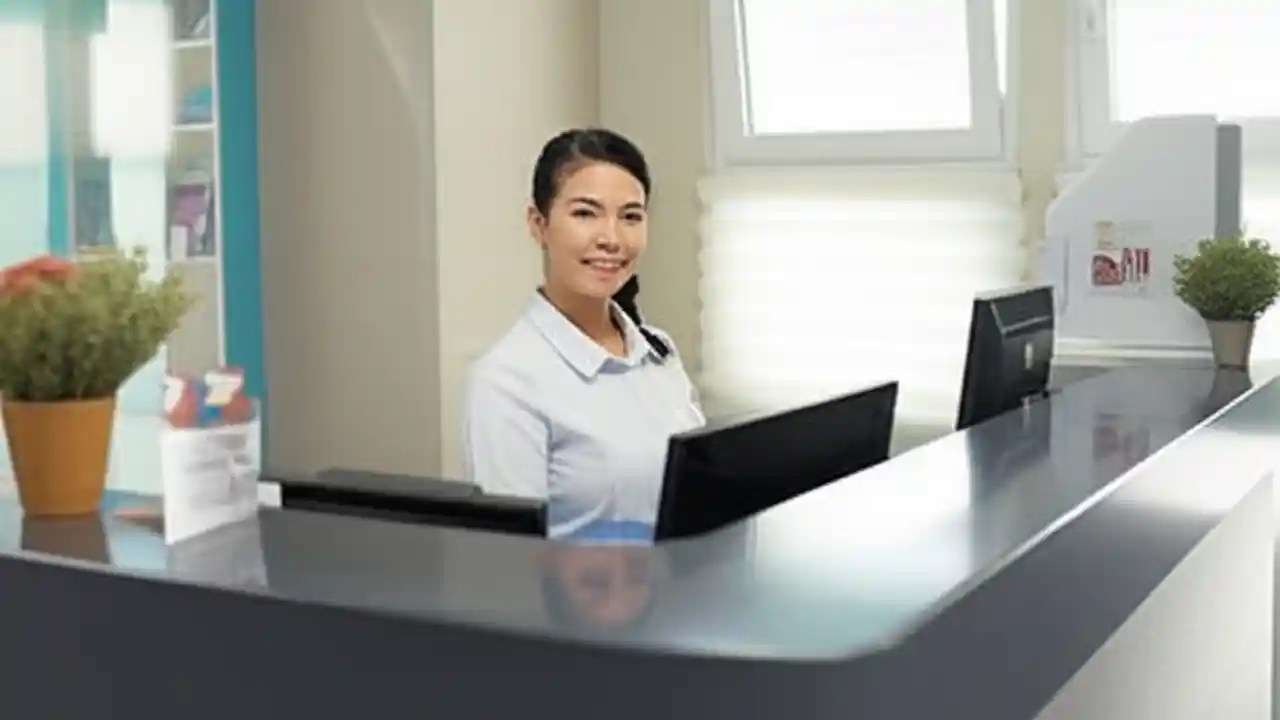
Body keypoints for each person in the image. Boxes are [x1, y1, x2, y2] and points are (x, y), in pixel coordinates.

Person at [462, 128, 705, 539]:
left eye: (630, 217)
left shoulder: (658, 350)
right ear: (538, 224)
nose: (611, 238)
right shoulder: (505, 382)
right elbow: (511, 556)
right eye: (585, 214)